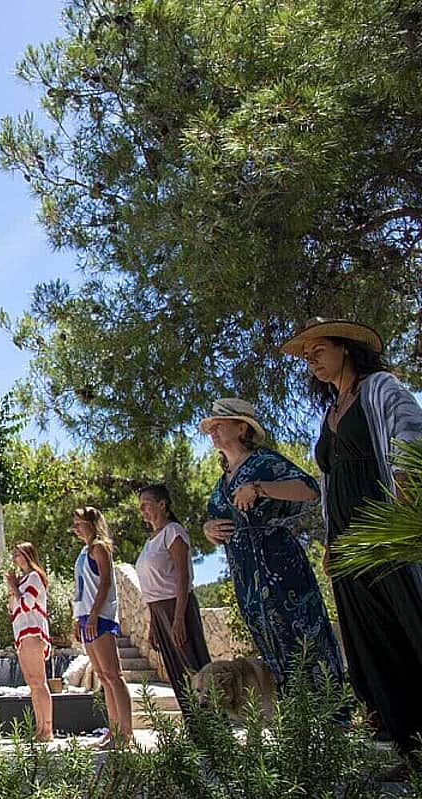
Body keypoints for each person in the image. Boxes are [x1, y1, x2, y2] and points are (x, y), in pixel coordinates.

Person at [281, 317, 422, 763]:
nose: (312, 360)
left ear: (346, 348)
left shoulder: (380, 388)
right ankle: (405, 746)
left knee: (409, 622)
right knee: (369, 638)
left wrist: (405, 496)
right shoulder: (329, 413)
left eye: (319, 350)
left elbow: (410, 434)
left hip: (385, 529)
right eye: (307, 357)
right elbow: (327, 483)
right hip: (345, 542)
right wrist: (328, 542)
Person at [200, 398, 343, 698]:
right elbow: (217, 519)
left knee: (303, 636)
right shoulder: (220, 481)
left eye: (219, 424)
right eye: (210, 426)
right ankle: (295, 718)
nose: (212, 430)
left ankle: (332, 715)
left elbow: (309, 489)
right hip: (246, 578)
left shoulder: (264, 463)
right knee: (270, 643)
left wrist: (259, 488)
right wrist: (208, 529)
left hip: (279, 568)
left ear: (242, 428)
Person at [135, 484, 211, 712]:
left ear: (162, 504)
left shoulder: (173, 532)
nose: (143, 511)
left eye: (146, 504)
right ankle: (195, 731)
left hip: (177, 607)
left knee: (193, 668)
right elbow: (151, 588)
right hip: (159, 612)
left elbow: (183, 575)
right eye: (140, 507)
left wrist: (178, 618)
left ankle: (214, 730)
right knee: (177, 673)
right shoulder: (150, 541)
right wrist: (152, 625)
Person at [71, 506, 131, 747]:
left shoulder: (99, 548)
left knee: (114, 675)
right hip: (86, 616)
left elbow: (105, 583)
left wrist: (95, 615)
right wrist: (78, 619)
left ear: (91, 524)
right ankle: (113, 729)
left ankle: (125, 733)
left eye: (79, 523)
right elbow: (81, 588)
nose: (75, 528)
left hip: (101, 616)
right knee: (104, 677)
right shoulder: (84, 552)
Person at [5, 541, 53, 741]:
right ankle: (40, 727)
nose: (15, 557)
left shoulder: (34, 577)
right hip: (22, 634)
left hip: (33, 633)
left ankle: (48, 729)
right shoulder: (24, 580)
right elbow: (11, 609)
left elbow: (27, 604)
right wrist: (13, 588)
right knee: (32, 683)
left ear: (26, 555)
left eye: (18, 554)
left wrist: (14, 588)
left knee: (40, 682)